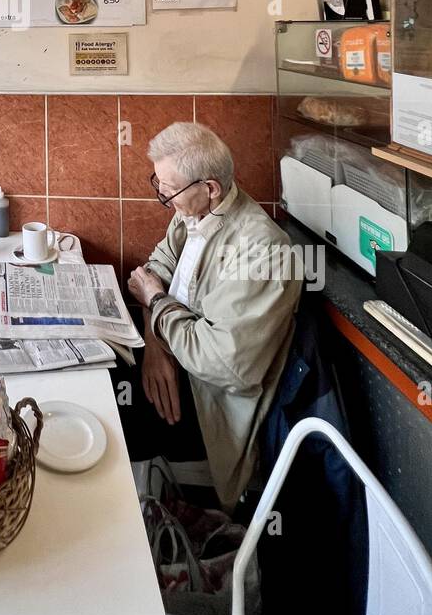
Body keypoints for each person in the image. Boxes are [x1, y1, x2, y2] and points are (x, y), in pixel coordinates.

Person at [118, 121, 302, 507]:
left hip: (210, 401)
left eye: (169, 190)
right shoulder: (194, 211)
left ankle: (131, 520)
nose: (165, 199)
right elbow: (156, 269)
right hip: (176, 353)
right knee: (105, 357)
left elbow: (220, 363)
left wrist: (156, 304)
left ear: (210, 188)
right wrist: (155, 342)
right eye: (160, 184)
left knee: (117, 405)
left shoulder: (263, 251)